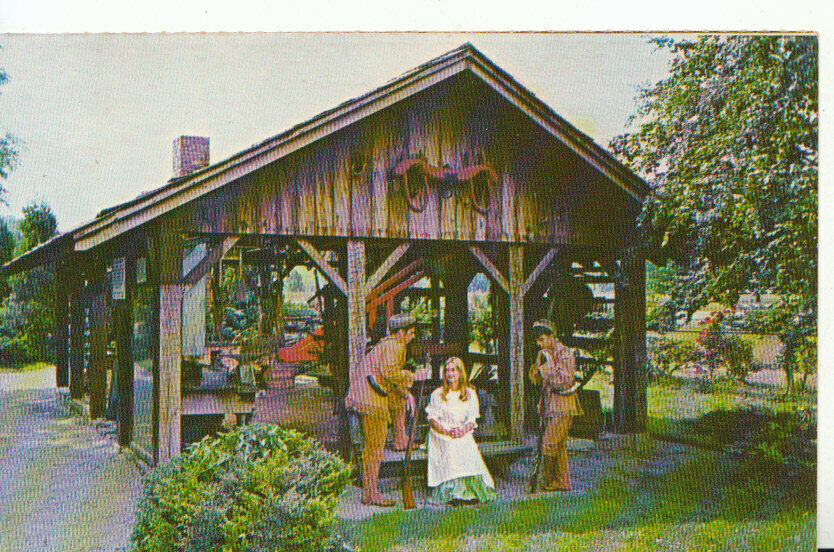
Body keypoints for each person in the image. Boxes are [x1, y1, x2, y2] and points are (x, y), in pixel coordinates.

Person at [344, 313, 430, 507]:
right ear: (400, 332)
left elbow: (387, 377)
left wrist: (405, 393)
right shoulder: (396, 345)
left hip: (368, 395)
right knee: (374, 450)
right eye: (411, 333)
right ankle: (371, 494)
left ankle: (400, 440)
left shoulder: (387, 344)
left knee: (373, 447)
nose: (412, 337)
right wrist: (415, 376)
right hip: (371, 399)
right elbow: (389, 372)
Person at [425, 356, 497, 504]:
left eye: (453, 370)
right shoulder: (438, 394)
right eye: (447, 370)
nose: (450, 373)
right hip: (441, 432)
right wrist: (447, 431)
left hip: (461, 430)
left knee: (466, 445)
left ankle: (471, 491)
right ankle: (453, 492)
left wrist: (462, 430)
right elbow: (432, 419)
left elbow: (471, 419)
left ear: (460, 372)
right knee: (452, 446)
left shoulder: (470, 393)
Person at [530, 319, 583, 491]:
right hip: (549, 406)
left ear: (552, 336)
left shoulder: (565, 354)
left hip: (562, 406)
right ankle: (561, 482)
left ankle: (545, 483)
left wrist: (549, 365)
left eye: (542, 339)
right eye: (538, 341)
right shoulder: (546, 353)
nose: (539, 344)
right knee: (559, 446)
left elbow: (563, 382)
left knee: (549, 444)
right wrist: (538, 368)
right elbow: (538, 381)